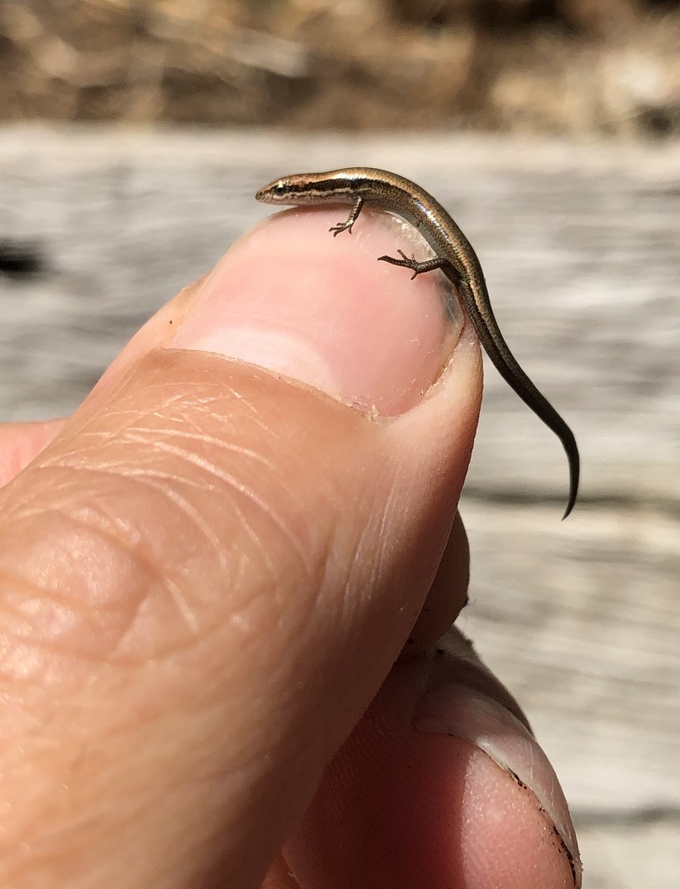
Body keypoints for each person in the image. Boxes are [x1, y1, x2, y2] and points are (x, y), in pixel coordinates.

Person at [0, 204, 580, 887]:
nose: (278, 197)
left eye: (287, 193)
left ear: (314, 192)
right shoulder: (360, 196)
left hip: (446, 268)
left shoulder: (364, 199)